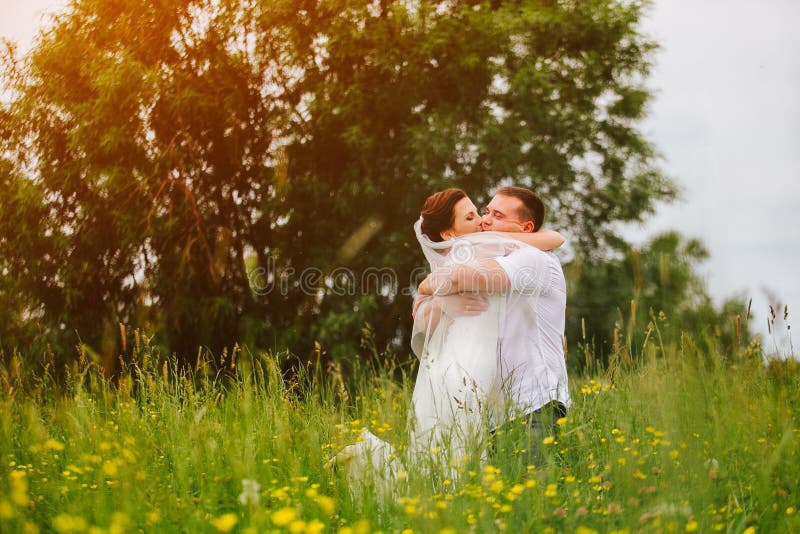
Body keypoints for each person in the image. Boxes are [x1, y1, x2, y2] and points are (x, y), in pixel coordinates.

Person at [409, 187, 565, 472]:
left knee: (530, 501)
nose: (485, 220)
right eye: (484, 212)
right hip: (484, 410)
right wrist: (443, 303)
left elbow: (460, 276)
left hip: (531, 404)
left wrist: (427, 285)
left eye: (497, 215)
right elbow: (420, 313)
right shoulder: (487, 259)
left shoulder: (534, 259)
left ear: (525, 229)